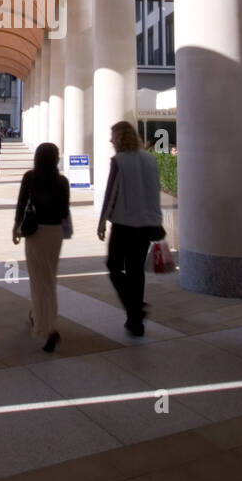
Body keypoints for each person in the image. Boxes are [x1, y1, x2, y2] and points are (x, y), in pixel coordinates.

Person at [97, 120, 165, 336]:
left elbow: (111, 193)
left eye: (112, 136)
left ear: (119, 138)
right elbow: (155, 190)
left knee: (114, 266)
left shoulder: (120, 160)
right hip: (146, 225)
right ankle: (135, 321)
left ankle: (135, 310)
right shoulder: (149, 158)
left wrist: (101, 222)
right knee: (136, 271)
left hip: (124, 224)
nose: (110, 140)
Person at [13, 141, 69, 352]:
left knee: (38, 282)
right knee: (50, 279)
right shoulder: (62, 181)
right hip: (55, 234)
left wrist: (16, 228)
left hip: (36, 232)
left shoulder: (30, 177)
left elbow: (21, 204)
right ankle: (48, 322)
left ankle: (45, 328)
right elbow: (64, 211)